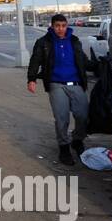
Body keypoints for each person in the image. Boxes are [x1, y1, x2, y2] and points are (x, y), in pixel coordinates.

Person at [26, 12, 91, 165]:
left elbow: (83, 60)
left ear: (66, 26)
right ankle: (64, 148)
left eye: (63, 26)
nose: (60, 29)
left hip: (76, 83)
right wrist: (32, 79)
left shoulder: (74, 41)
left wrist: (101, 65)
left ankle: (77, 140)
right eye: (57, 26)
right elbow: (35, 61)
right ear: (52, 26)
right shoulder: (44, 42)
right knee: (62, 118)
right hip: (56, 84)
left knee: (82, 116)